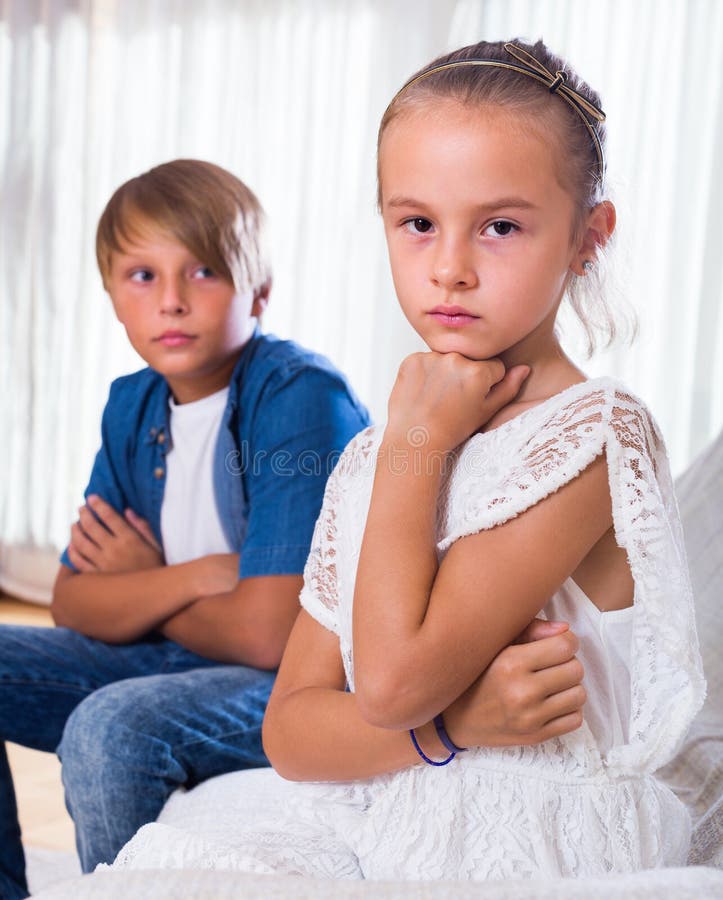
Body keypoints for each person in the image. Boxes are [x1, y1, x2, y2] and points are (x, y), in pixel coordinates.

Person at [107, 39, 706, 881]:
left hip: (539, 847)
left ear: (587, 236)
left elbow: (390, 686)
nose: (450, 269)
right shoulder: (375, 454)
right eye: (417, 224)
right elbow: (292, 733)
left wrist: (414, 447)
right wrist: (453, 726)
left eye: (500, 227)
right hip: (395, 819)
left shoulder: (593, 433)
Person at [0, 158, 586, 899]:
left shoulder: (296, 394)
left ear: (259, 292)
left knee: (111, 729)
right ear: (112, 294)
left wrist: (141, 588)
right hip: (174, 654)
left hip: (275, 681)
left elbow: (269, 635)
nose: (172, 301)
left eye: (204, 272)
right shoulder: (130, 404)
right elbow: (73, 602)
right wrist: (195, 577)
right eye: (142, 276)